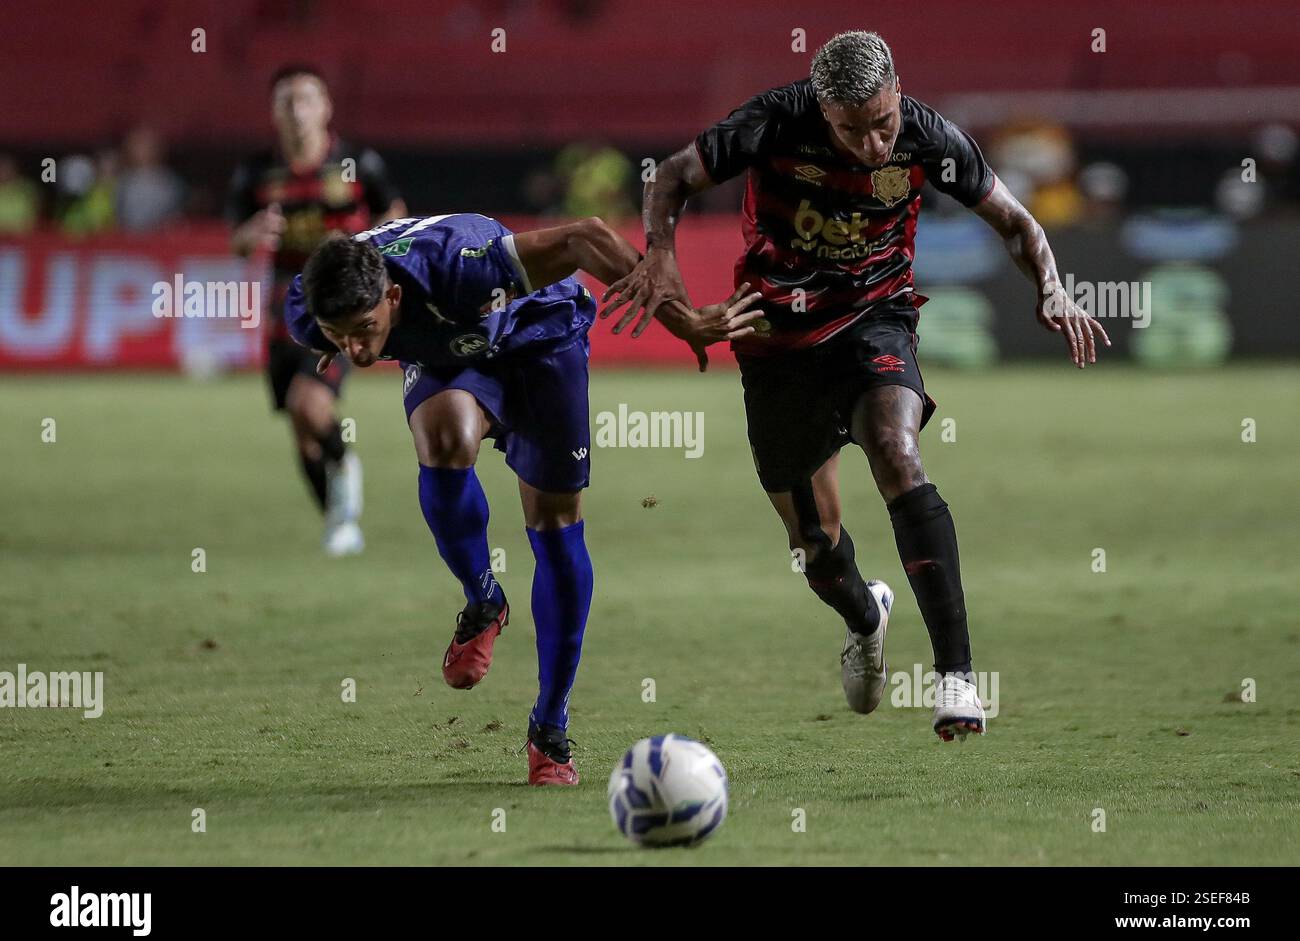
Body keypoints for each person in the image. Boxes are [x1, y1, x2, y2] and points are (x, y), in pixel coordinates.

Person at [604, 30, 1110, 740]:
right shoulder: (773, 121)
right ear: (822, 110)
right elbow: (671, 178)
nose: (873, 144)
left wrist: (1053, 288)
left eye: (882, 123)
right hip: (774, 335)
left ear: (898, 94)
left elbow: (1016, 222)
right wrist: (659, 254)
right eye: (851, 129)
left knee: (896, 454)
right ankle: (865, 617)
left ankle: (957, 679)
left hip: (875, 317)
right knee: (813, 541)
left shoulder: (930, 137)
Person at [285, 213, 761, 784]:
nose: (356, 350)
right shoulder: (311, 307)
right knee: (444, 437)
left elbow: (587, 237)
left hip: (541, 335)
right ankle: (484, 600)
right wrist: (338, 337)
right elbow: (339, 320)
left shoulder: (463, 268)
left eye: (364, 329)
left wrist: (682, 320)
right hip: (456, 351)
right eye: (338, 336)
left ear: (391, 294)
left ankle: (549, 725)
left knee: (555, 527)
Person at [227, 65, 407, 556]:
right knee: (301, 429)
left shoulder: (356, 163)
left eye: (306, 99)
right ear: (273, 112)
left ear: (326, 107)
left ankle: (346, 472)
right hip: (284, 310)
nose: (296, 110)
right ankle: (337, 518)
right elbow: (238, 242)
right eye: (286, 100)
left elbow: (394, 213)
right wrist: (252, 233)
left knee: (311, 406)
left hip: (339, 307)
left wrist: (362, 248)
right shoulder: (256, 172)